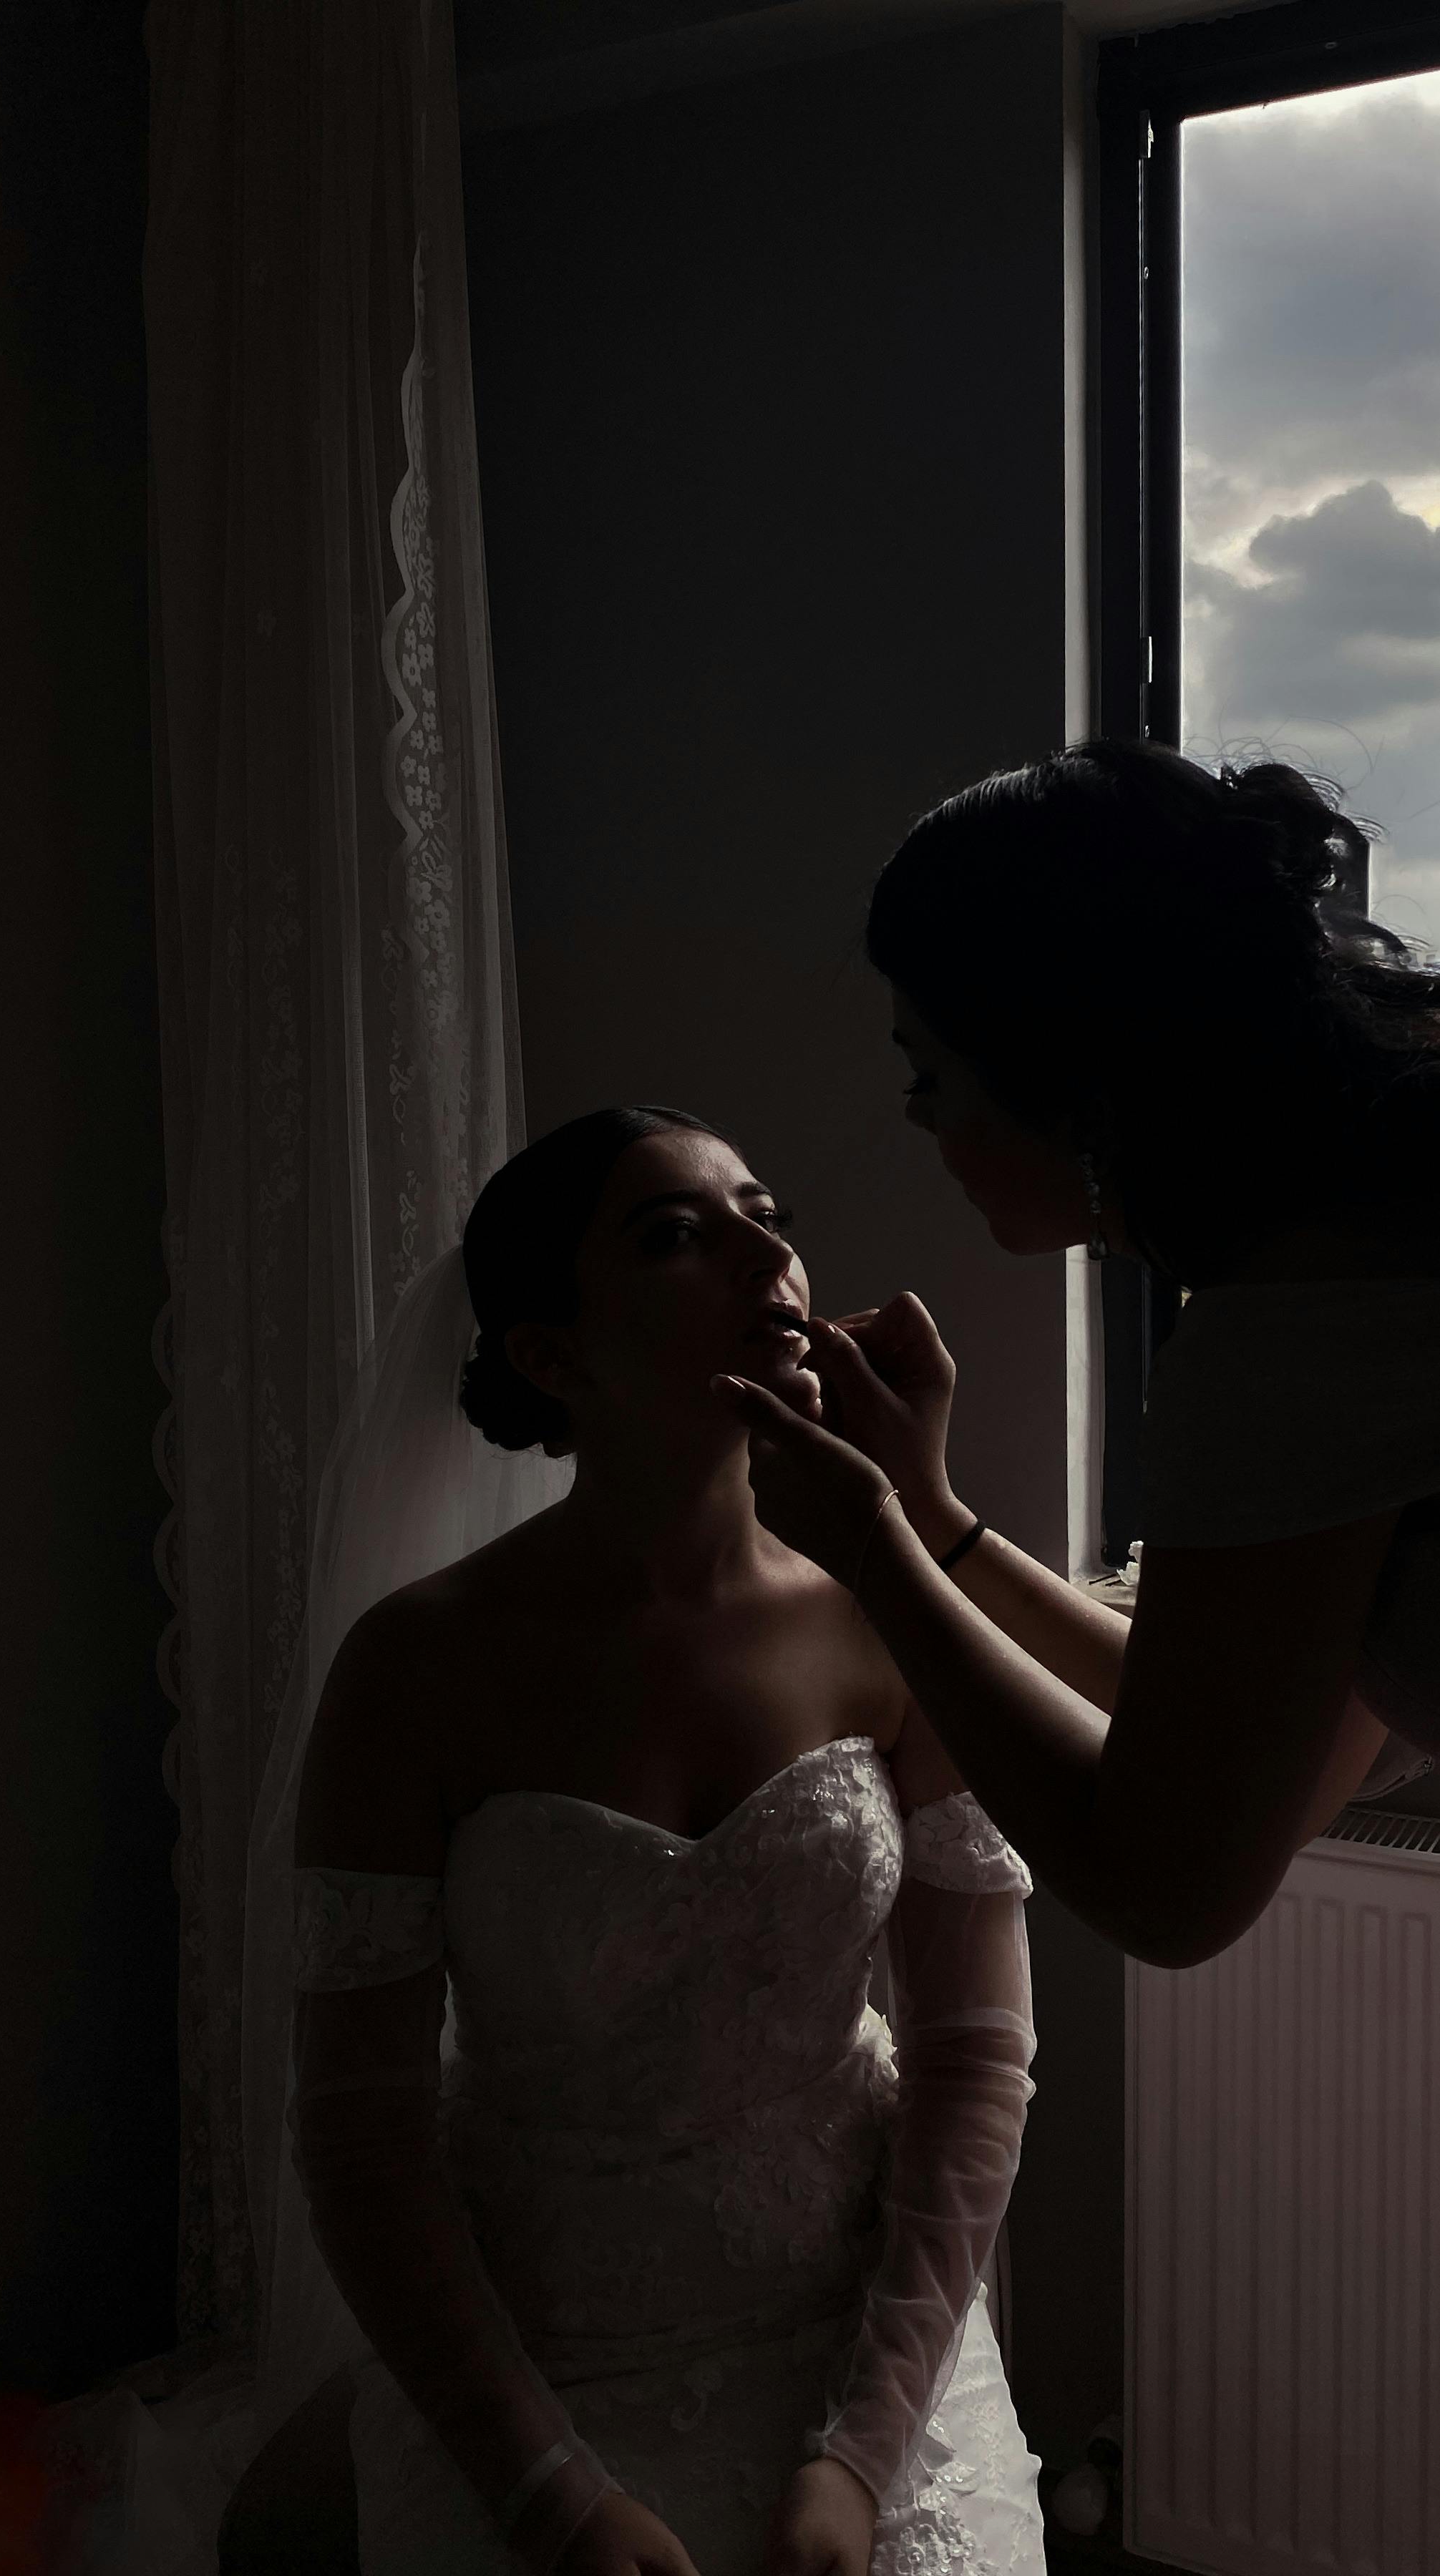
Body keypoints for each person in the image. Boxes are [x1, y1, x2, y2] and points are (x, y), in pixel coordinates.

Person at [223, 1106, 1045, 2576]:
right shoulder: (417, 1667)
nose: (764, 1252)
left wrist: (860, 2455)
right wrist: (553, 2495)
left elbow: (975, 2057)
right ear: (552, 1356)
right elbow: (361, 2129)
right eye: (675, 1235)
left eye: (766, 1215)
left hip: (864, 2339)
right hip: (541, 2366)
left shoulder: (886, 1609)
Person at [712, 741, 1440, 1971]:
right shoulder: (1371, 1230)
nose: (916, 1114)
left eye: (929, 1069)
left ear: (1073, 1084)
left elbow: (1166, 1891)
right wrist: (933, 1521)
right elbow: (1233, 1732)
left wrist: (876, 1553)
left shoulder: (1294, 1334)